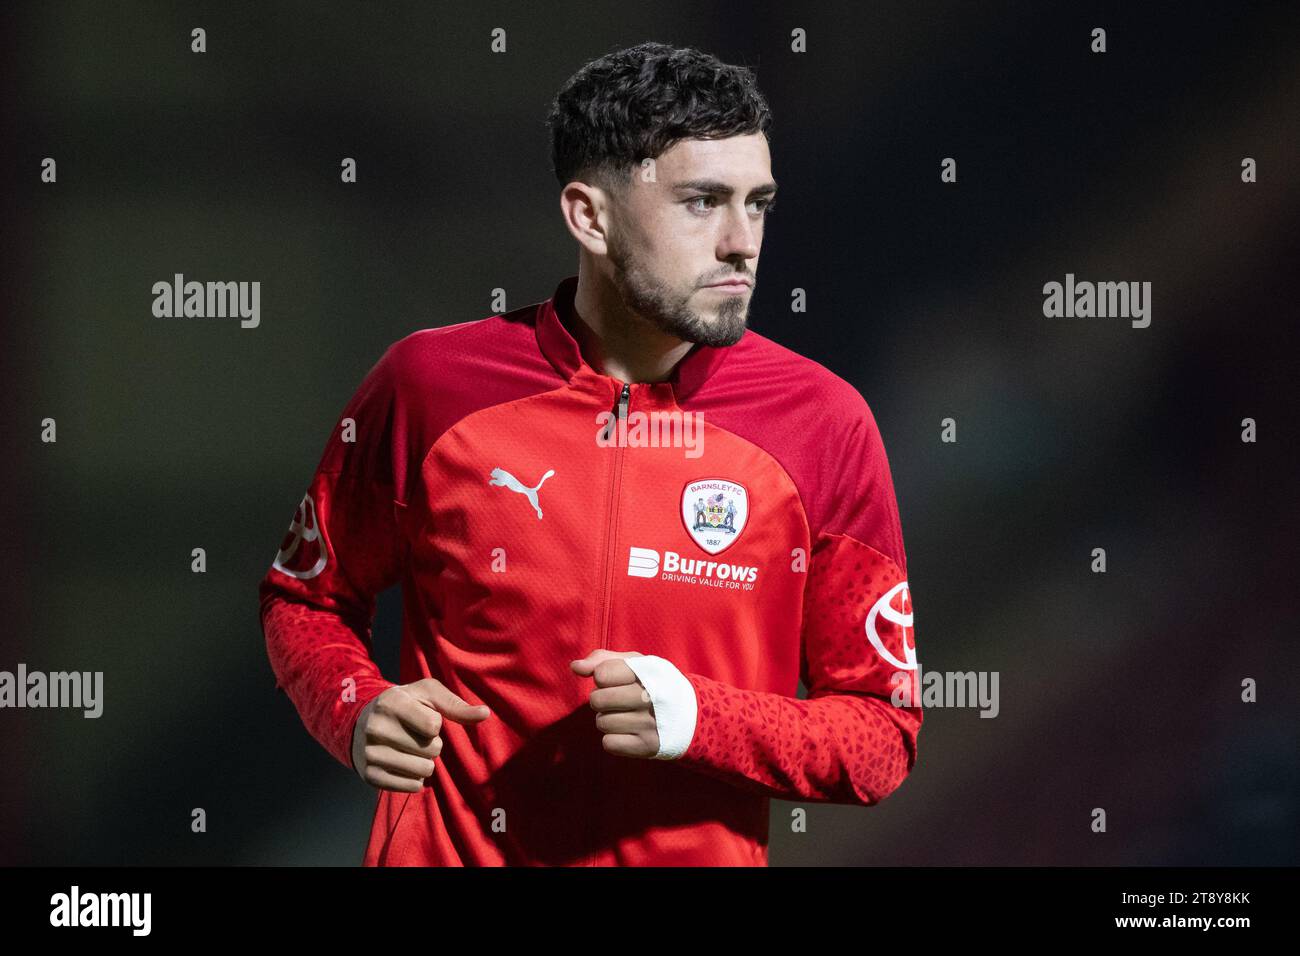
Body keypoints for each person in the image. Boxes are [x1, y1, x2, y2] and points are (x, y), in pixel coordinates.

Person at [259, 40, 922, 867]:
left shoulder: (822, 424)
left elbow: (880, 735)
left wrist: (699, 721)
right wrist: (353, 707)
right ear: (589, 216)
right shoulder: (429, 386)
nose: (741, 242)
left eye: (758, 204)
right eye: (702, 202)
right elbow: (304, 600)